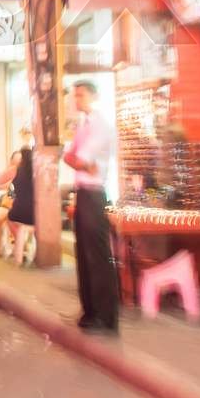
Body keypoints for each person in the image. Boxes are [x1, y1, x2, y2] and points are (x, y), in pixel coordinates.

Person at [64, 80, 120, 334]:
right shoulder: (83, 125)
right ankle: (90, 312)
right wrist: (78, 162)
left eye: (82, 95)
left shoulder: (100, 126)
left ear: (94, 96)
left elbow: (79, 159)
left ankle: (104, 315)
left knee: (96, 256)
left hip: (94, 194)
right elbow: (70, 157)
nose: (77, 100)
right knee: (84, 256)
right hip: (83, 194)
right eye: (75, 96)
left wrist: (79, 162)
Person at [0, 147, 36, 265]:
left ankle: (19, 245)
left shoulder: (18, 172)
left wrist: (13, 197)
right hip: (34, 214)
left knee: (10, 219)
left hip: (18, 212)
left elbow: (11, 193)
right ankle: (23, 246)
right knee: (22, 226)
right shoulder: (37, 174)